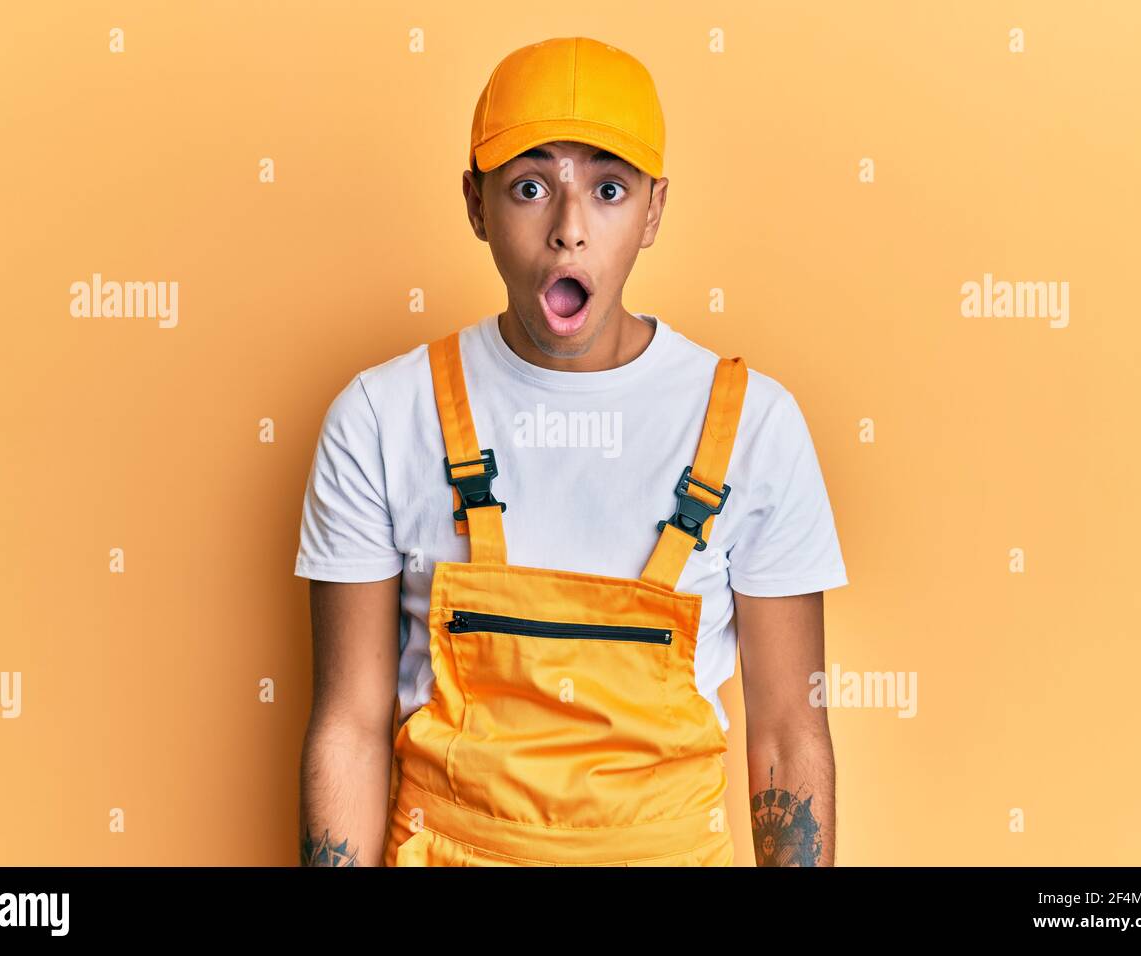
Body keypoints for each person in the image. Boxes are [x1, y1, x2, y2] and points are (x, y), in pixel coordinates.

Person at [295, 36, 848, 867]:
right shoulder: (380, 417)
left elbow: (788, 729)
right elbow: (348, 723)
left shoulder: (754, 427)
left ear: (654, 210)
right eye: (529, 187)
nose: (569, 231)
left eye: (609, 188)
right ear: (476, 205)